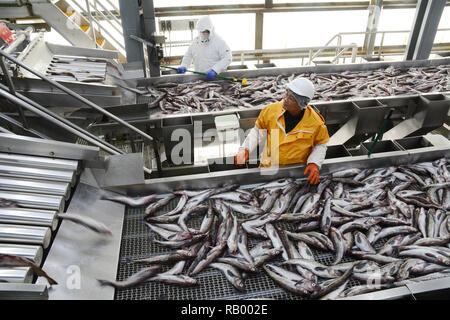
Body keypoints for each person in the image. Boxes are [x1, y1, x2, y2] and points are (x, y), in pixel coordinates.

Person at [234, 77, 329, 185]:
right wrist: (245, 149)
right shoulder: (271, 110)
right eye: (286, 94)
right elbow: (257, 131)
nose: (285, 99)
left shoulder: (315, 122)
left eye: (291, 98)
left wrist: (314, 163)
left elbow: (321, 144)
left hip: (296, 171)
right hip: (268, 167)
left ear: (301, 104)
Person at [177, 16, 232, 81]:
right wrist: (184, 65)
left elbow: (227, 58)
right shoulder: (196, 41)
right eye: (201, 31)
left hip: (216, 78)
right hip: (199, 79)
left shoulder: (219, 42)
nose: (203, 33)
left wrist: (215, 70)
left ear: (210, 30)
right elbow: (188, 55)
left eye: (205, 31)